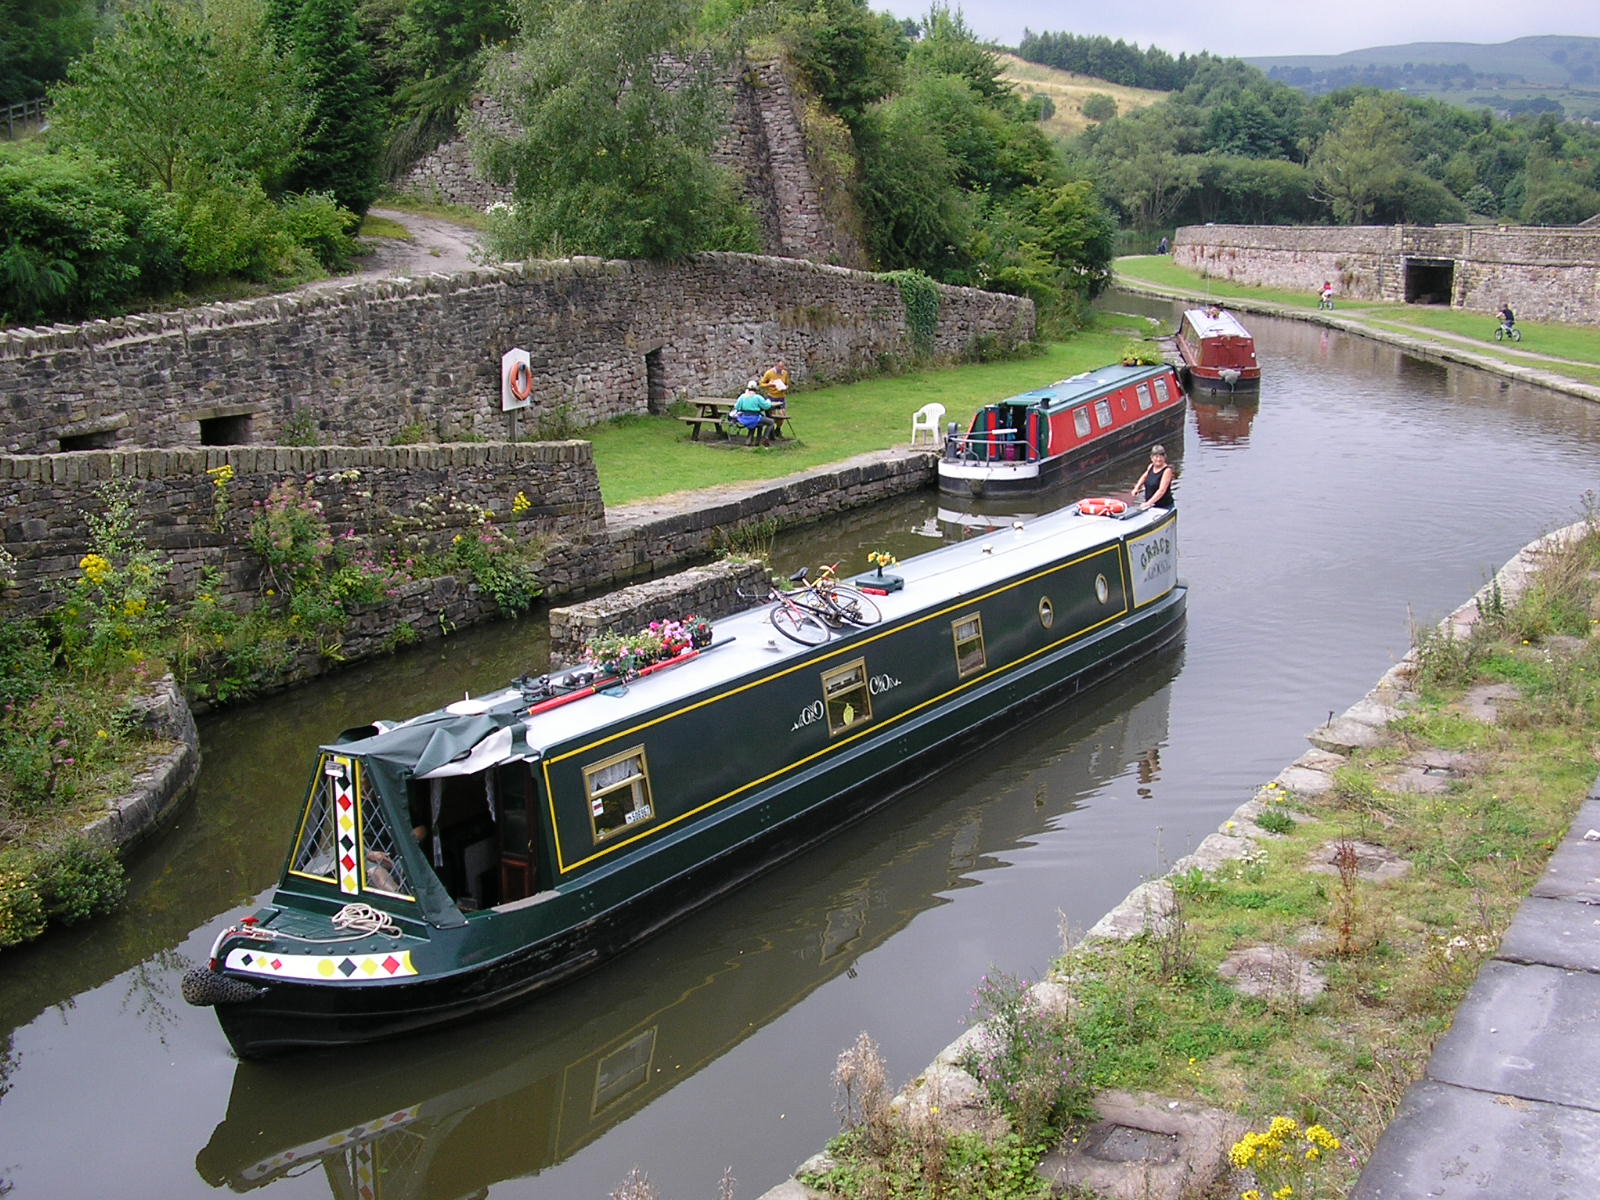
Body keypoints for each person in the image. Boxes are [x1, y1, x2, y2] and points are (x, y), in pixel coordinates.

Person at [1132, 445, 1175, 511]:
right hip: (1151, 505)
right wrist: (1137, 487)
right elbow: (1144, 477)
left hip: (1164, 507)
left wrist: (1147, 504)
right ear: (1152, 458)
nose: (1159, 459)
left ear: (1164, 457)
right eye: (1156, 456)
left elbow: (1161, 491)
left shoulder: (1167, 471)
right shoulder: (1151, 466)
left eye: (1161, 456)